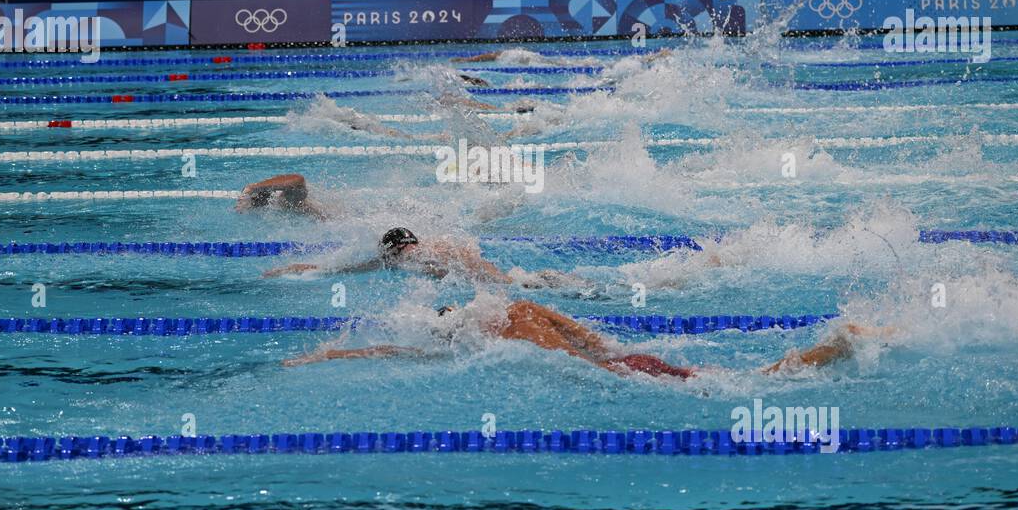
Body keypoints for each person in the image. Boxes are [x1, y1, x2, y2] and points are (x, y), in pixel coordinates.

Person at [283, 297, 891, 381]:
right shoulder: (518, 306)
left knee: (736, 388)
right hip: (628, 356)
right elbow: (592, 339)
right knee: (723, 379)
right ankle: (828, 346)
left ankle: (828, 349)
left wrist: (334, 353)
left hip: (627, 372)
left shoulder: (505, 330)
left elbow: (582, 361)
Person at [264, 227, 578, 288]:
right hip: (487, 278)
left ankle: (549, 280)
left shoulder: (435, 252)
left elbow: (473, 265)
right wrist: (299, 268)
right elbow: (342, 269)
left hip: (503, 280)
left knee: (520, 283)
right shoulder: (395, 260)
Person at [237, 173, 327, 217]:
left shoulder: (285, 202)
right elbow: (298, 180)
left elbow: (298, 180)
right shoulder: (285, 202)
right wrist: (253, 188)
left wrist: (253, 188)